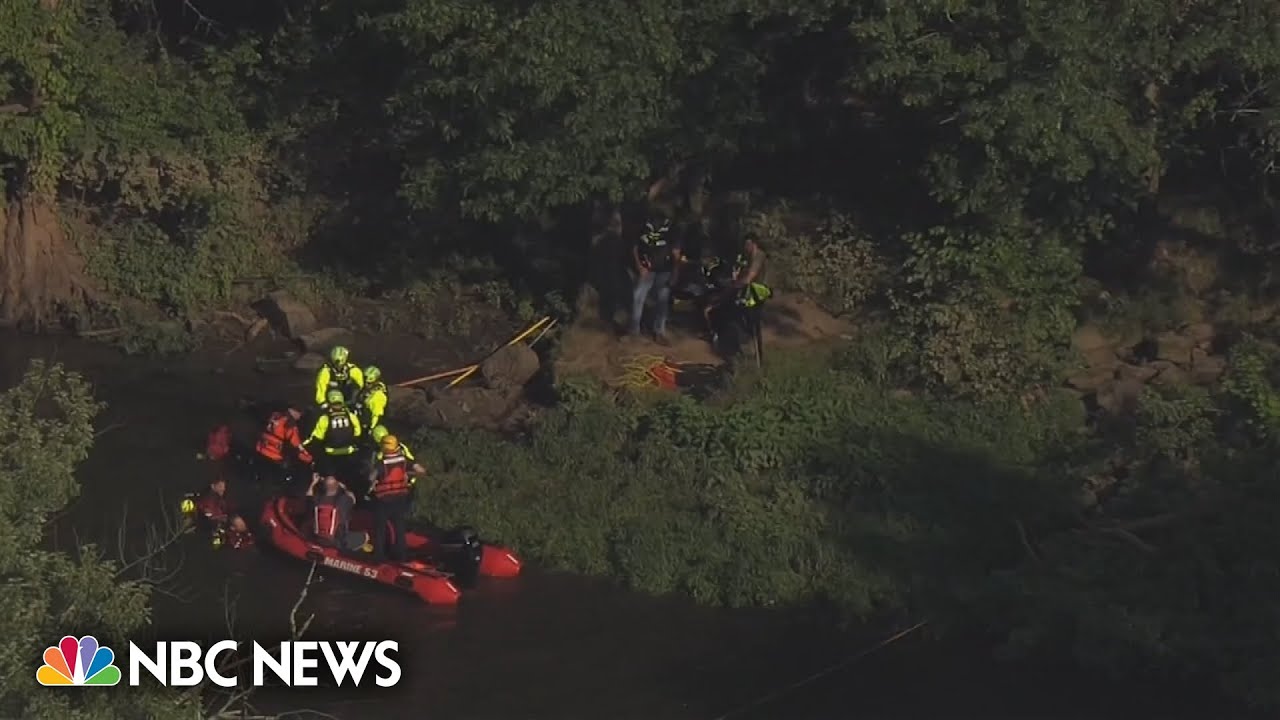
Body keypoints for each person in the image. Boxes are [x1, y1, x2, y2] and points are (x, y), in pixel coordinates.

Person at [706, 235, 772, 350]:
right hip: (747, 291)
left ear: (753, 244)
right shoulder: (747, 257)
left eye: (747, 244)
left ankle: (745, 343)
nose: (745, 247)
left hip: (755, 293)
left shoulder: (759, 256)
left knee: (737, 313)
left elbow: (749, 278)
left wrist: (733, 286)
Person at [367, 434, 426, 562]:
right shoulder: (404, 460)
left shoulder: (381, 464)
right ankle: (401, 556)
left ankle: (378, 557)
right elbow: (421, 471)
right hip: (400, 499)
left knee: (380, 529)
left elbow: (371, 478)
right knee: (399, 528)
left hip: (383, 501)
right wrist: (407, 474)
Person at [629, 214, 682, 344]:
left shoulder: (672, 228)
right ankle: (634, 331)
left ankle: (659, 332)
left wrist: (675, 273)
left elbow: (676, 254)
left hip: (665, 271)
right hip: (646, 270)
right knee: (637, 296)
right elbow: (634, 247)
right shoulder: (643, 225)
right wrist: (639, 266)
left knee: (662, 300)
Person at [304, 390, 363, 485]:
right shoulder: (351, 416)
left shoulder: (325, 418)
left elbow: (317, 438)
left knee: (332, 481)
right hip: (349, 453)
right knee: (349, 479)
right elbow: (358, 433)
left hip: (331, 455)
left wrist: (305, 445)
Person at [306, 474, 368, 554]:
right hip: (336, 542)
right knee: (365, 536)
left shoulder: (318, 500)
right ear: (337, 487)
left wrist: (313, 483)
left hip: (318, 538)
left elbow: (308, 497)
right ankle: (346, 554)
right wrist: (344, 487)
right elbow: (353, 498)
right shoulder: (343, 501)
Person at [254, 406, 313, 485]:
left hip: (260, 451)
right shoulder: (290, 424)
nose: (300, 417)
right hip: (275, 458)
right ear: (295, 411)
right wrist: (308, 458)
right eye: (300, 414)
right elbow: (296, 446)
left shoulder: (275, 416)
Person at [196, 477, 253, 549]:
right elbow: (210, 517)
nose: (223, 489)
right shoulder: (207, 501)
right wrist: (227, 519)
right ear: (213, 486)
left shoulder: (221, 499)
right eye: (220, 486)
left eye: (224, 486)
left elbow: (228, 508)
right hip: (212, 529)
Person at [356, 365, 388, 430]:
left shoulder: (378, 396)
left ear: (375, 382)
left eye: (368, 383)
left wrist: (371, 428)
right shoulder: (365, 390)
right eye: (364, 382)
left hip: (369, 424)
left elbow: (376, 415)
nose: (365, 384)